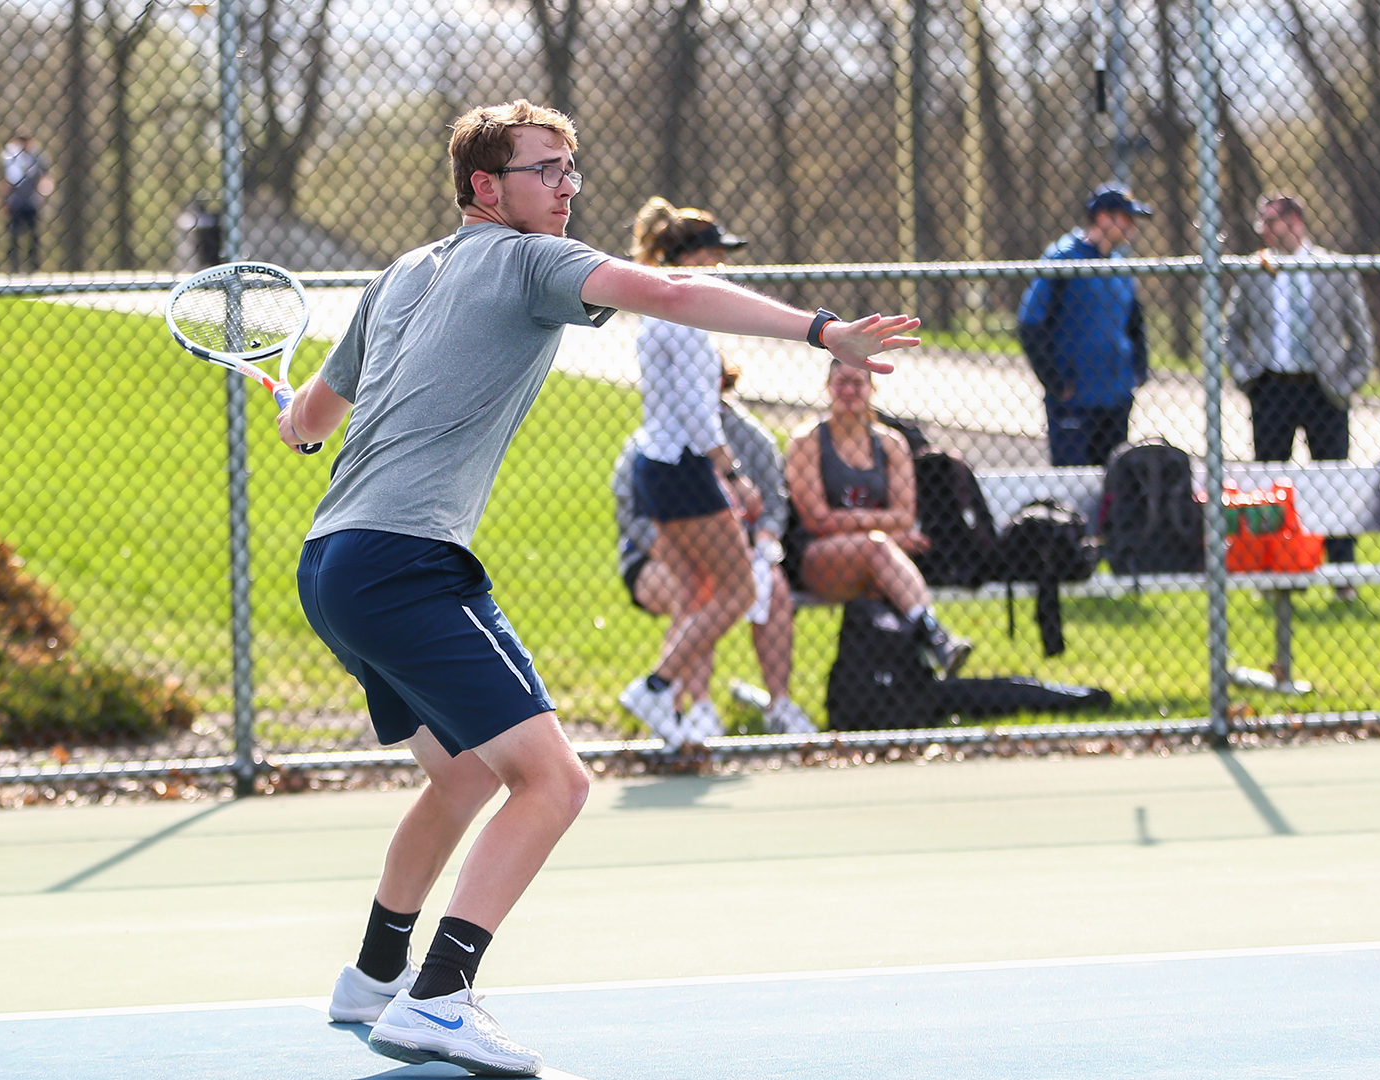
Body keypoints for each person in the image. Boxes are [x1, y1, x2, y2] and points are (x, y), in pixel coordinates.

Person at [278, 100, 920, 1076]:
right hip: (403, 562)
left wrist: (298, 420)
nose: (567, 186)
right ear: (485, 187)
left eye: (571, 167)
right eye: (544, 170)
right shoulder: (530, 261)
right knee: (556, 783)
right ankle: (438, 997)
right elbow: (672, 291)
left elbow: (310, 421)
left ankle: (372, 976)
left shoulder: (399, 275)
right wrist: (822, 329)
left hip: (331, 563)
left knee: (465, 776)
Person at [614, 198, 761, 747]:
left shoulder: (664, 314)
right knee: (738, 590)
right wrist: (734, 474)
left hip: (658, 468)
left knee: (694, 592)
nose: (722, 265)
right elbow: (698, 414)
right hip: (679, 470)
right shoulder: (684, 321)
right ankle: (656, 687)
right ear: (691, 257)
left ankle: (673, 713)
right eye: (715, 255)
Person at [612, 362, 817, 738]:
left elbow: (773, 504)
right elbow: (629, 510)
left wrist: (765, 539)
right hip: (656, 557)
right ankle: (695, 707)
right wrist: (672, 550)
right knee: (700, 587)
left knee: (772, 586)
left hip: (740, 552)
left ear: (722, 382)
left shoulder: (751, 436)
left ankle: (779, 705)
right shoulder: (658, 438)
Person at [1224, 193, 1373, 602]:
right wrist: (1246, 376)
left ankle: (1342, 574)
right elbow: (1231, 331)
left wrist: (1348, 382)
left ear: (1294, 222)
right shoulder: (1255, 269)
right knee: (1269, 481)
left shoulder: (1334, 268)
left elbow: (1361, 334)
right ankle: (1274, 573)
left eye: (1271, 221)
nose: (1264, 229)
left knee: (1332, 478)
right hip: (1272, 387)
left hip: (1324, 388)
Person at [784, 360, 973, 680]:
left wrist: (858, 525)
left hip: (878, 561)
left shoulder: (891, 443)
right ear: (827, 387)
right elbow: (817, 521)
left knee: (877, 553)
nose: (848, 390)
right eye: (841, 382)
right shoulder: (807, 441)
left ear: (873, 388)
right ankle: (936, 637)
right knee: (877, 548)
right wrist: (886, 533)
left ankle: (900, 679)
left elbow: (905, 515)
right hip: (818, 559)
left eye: (857, 383)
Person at [1017, 184, 1152, 467]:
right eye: (1125, 218)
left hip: (1116, 397)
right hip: (1075, 399)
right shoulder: (1063, 258)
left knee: (1113, 477)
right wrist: (1055, 381)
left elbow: (1134, 323)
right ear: (1103, 218)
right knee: (1073, 478)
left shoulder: (1121, 265)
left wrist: (1138, 369)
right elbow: (1030, 322)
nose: (1132, 227)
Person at [0, 129, 52, 273]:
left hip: (31, 200)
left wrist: (43, 192)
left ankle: (33, 267)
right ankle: (14, 267)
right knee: (14, 235)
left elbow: (45, 177)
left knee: (33, 235)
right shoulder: (9, 157)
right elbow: (6, 181)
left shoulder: (37, 157)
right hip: (15, 201)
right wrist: (4, 200)